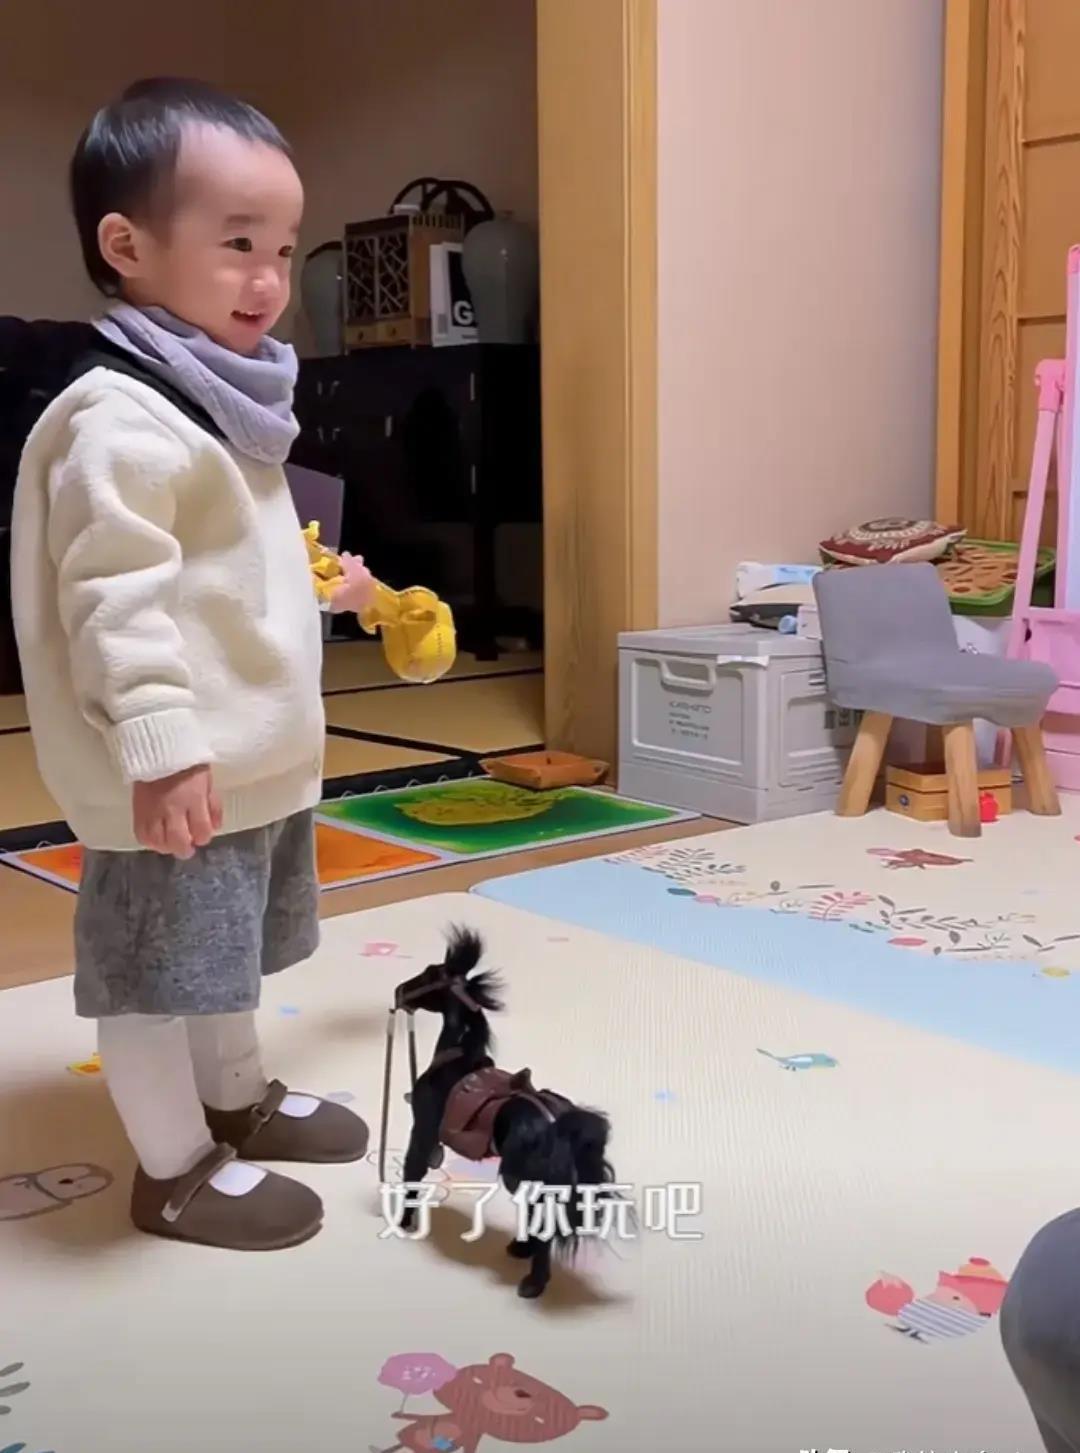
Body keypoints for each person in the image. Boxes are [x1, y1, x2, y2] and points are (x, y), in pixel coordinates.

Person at [11, 77, 376, 1251]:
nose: (270, 280)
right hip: (170, 769)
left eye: (283, 247)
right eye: (235, 246)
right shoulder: (117, 417)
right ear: (127, 247)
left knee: (226, 955)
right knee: (154, 969)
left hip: (254, 761)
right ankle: (170, 1167)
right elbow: (113, 597)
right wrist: (160, 752)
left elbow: (229, 567)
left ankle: (238, 1097)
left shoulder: (224, 402)